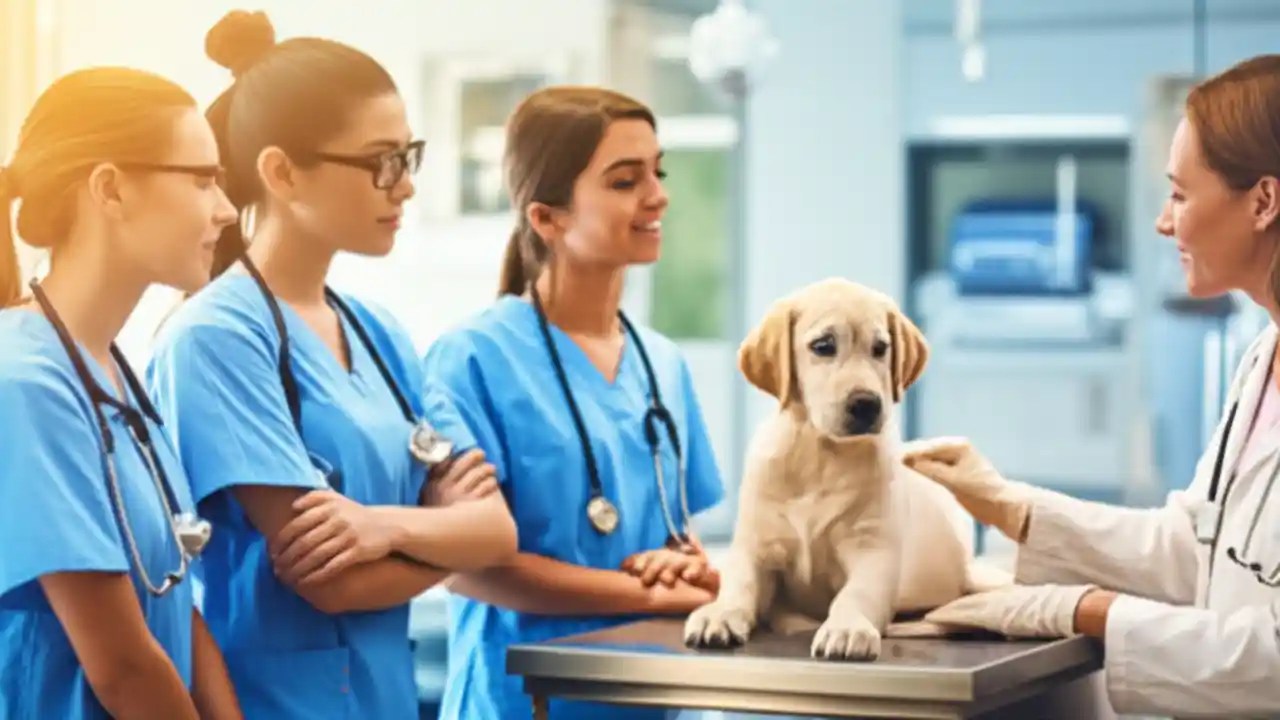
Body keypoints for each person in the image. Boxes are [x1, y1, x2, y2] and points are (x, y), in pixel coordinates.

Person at [145, 11, 516, 719]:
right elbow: (332, 584)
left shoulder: (379, 334)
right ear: (282, 172)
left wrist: (385, 528)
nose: (403, 186)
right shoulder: (216, 339)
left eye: (408, 156)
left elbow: (500, 532)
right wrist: (446, 531)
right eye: (380, 161)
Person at [904, 54, 1280, 718]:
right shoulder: (1260, 361)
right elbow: (1192, 552)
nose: (1165, 222)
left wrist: (1087, 610)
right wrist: (1013, 506)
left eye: (1181, 195)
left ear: (1263, 201)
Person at [420, 85, 726, 720]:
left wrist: (690, 569)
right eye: (624, 180)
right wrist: (650, 597)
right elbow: (465, 569)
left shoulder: (661, 363)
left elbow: (679, 534)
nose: (658, 195)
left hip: (656, 700)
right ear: (546, 218)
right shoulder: (472, 358)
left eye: (657, 173)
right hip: (523, 703)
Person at [0, 67, 241, 719]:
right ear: (109, 188)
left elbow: (171, 600)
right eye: (201, 179)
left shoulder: (112, 376)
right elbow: (124, 668)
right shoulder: (23, 383)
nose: (225, 208)